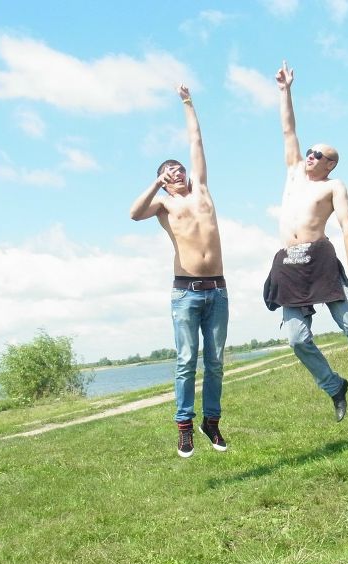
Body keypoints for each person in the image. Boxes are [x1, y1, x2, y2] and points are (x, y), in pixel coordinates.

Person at [264, 60, 348, 422]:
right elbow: (288, 130)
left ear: (330, 164)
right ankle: (335, 387)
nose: (310, 156)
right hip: (288, 263)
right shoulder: (293, 173)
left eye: (318, 155)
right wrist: (285, 90)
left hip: (320, 260)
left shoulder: (334, 186)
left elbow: (347, 226)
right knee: (297, 339)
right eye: (310, 151)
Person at [130, 85, 228, 458]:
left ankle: (211, 422)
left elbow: (196, 141)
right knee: (187, 360)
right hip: (186, 291)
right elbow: (133, 214)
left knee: (215, 362)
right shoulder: (163, 206)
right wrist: (157, 183)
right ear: (163, 181)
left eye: (180, 169)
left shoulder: (201, 191)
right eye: (171, 172)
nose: (179, 173)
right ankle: (184, 427)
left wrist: (188, 103)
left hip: (218, 289)